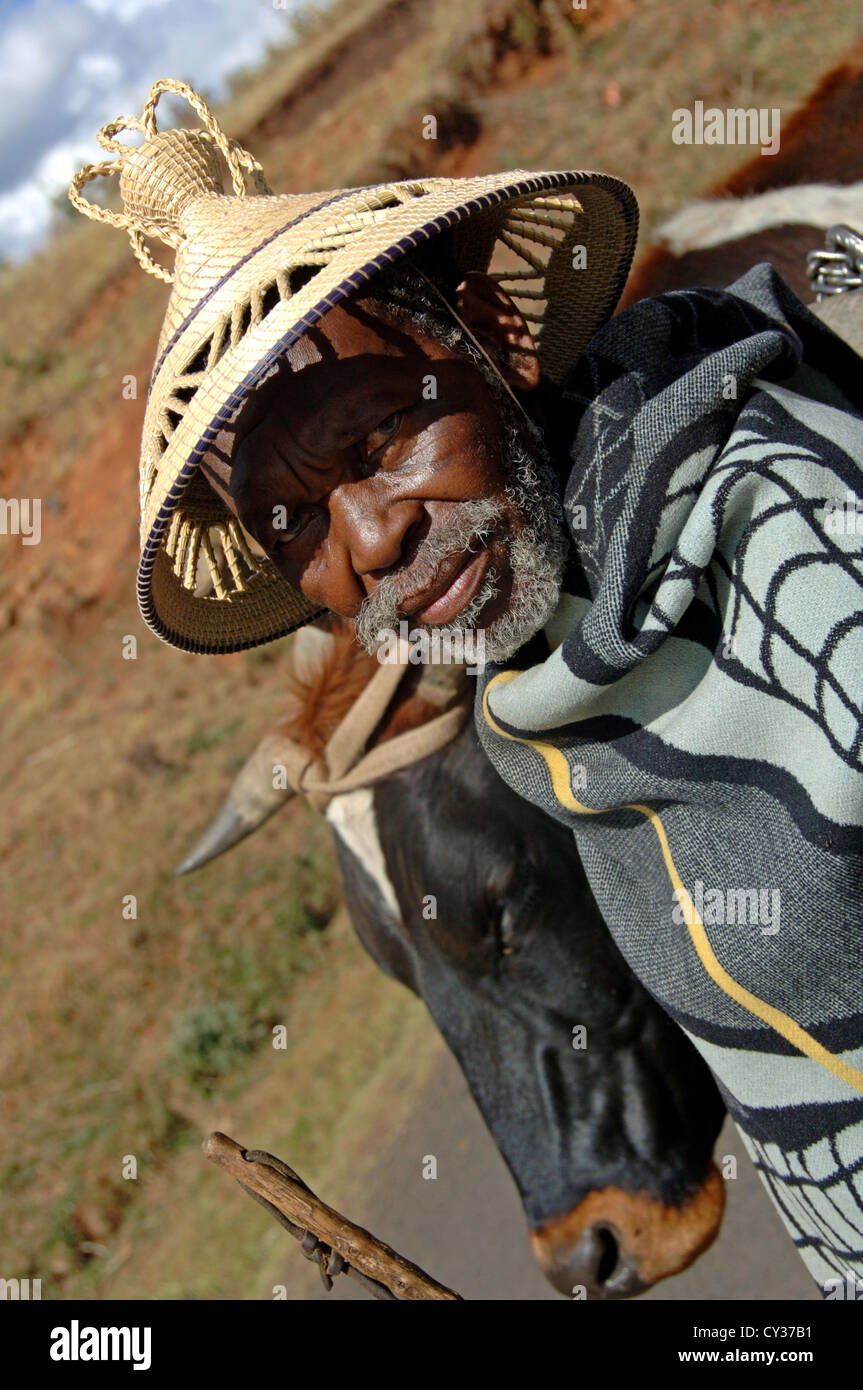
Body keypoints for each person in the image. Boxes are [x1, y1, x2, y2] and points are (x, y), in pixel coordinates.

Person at [71, 79, 863, 1297]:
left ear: (494, 329)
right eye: (296, 526)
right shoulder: (550, 690)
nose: (370, 540)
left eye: (381, 434)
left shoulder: (801, 546)